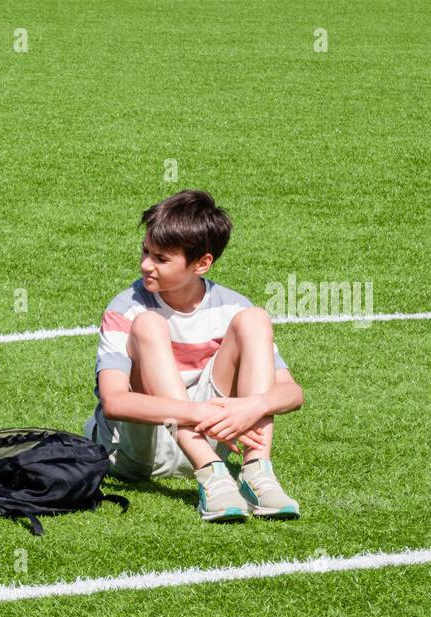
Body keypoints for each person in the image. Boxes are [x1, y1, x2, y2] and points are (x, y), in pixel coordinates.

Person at [89, 190, 304, 522]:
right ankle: (212, 476)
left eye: (161, 258)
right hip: (136, 450)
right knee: (148, 324)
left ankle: (256, 472)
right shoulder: (126, 307)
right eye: (145, 251)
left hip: (209, 432)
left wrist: (252, 406)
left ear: (202, 263)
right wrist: (196, 411)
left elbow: (291, 392)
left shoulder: (234, 306)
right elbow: (115, 402)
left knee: (255, 319)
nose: (146, 264)